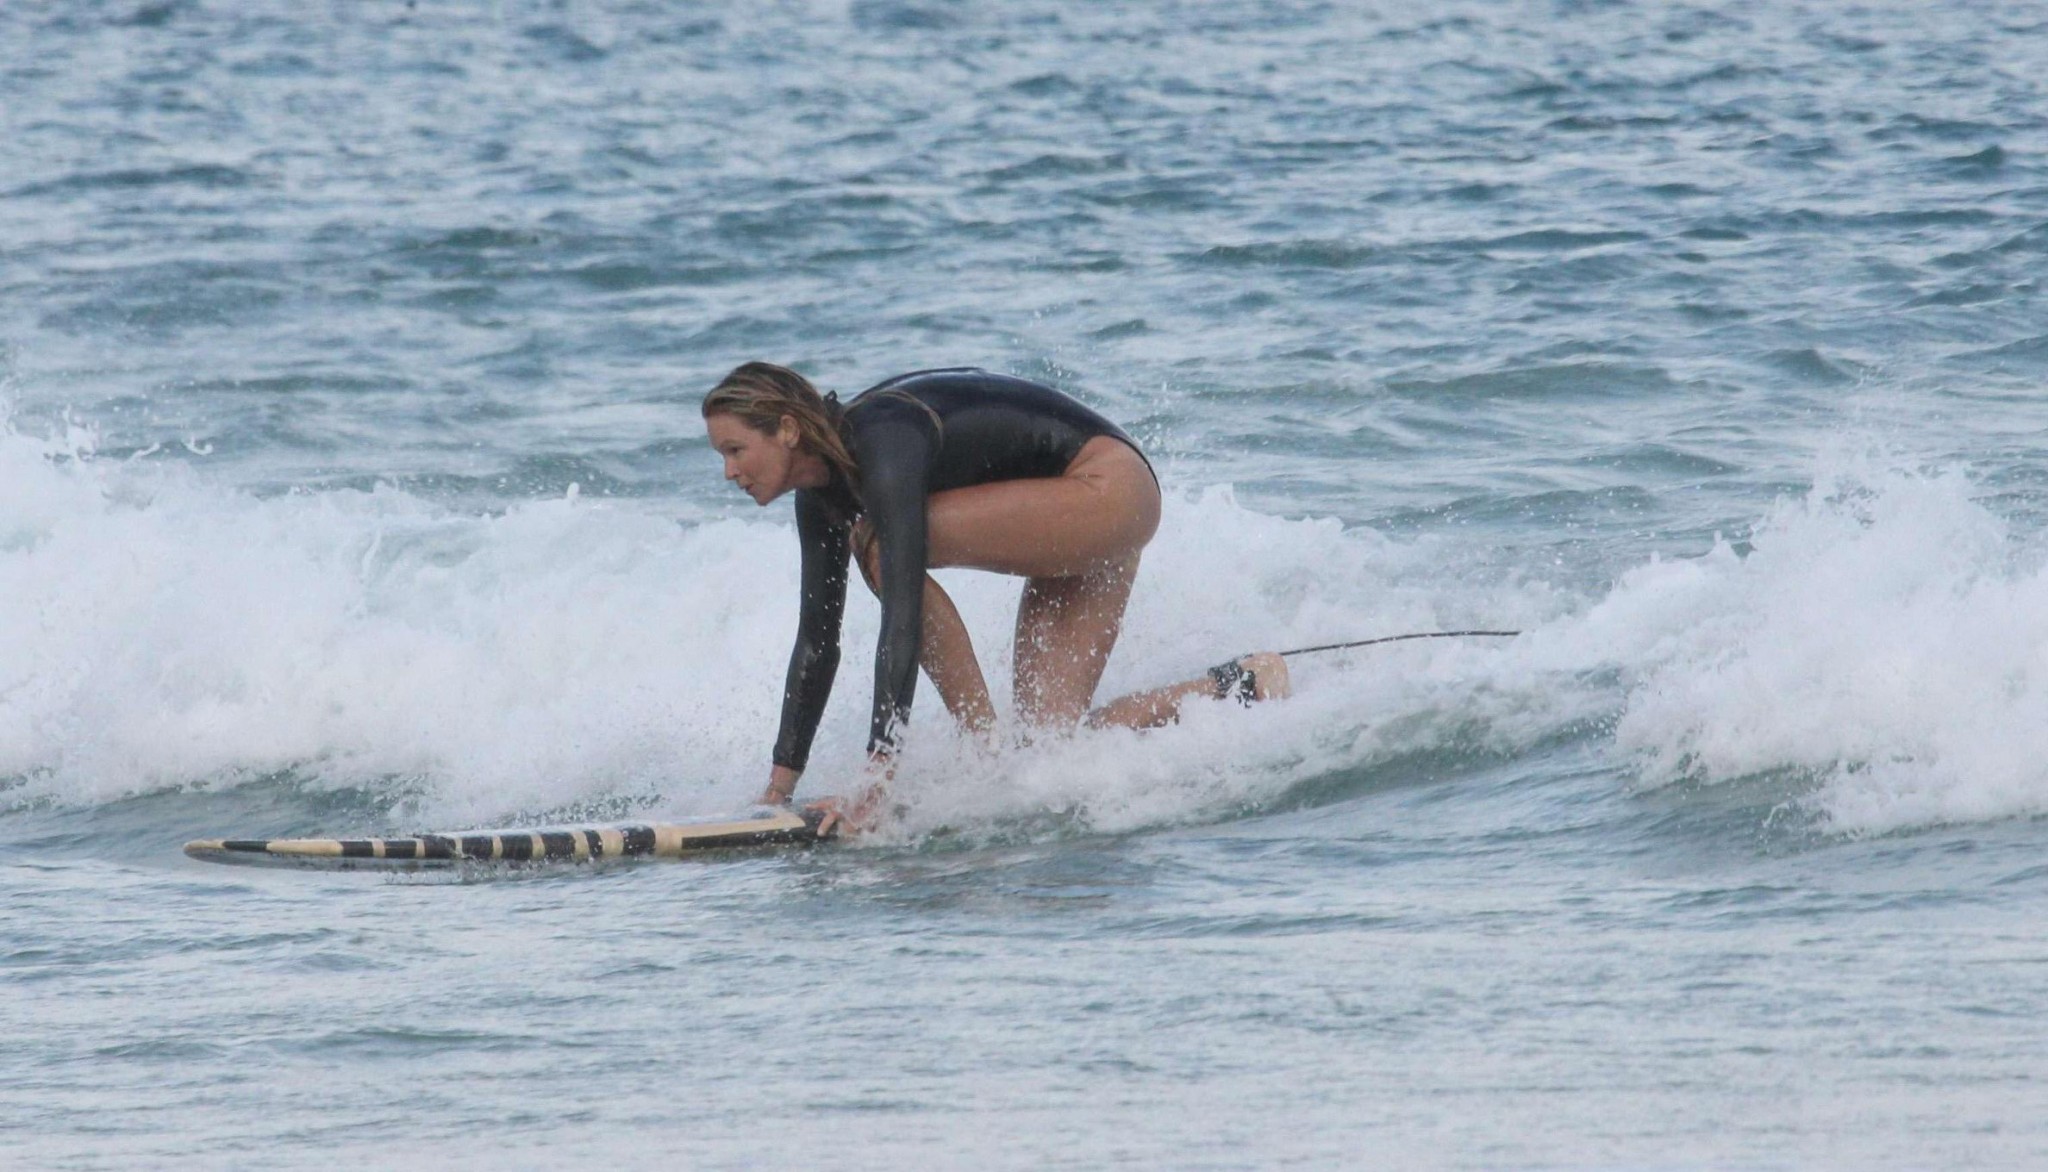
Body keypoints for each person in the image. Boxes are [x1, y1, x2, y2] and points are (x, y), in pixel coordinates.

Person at [701, 363, 1290, 831]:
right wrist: (777, 792)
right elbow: (817, 642)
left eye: (734, 450)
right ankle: (1244, 683)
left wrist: (877, 777)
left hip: (1106, 487)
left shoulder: (881, 441)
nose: (728, 471)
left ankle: (980, 751)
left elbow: (901, 611)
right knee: (1050, 753)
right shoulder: (820, 498)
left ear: (787, 429)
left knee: (880, 549)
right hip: (1068, 506)